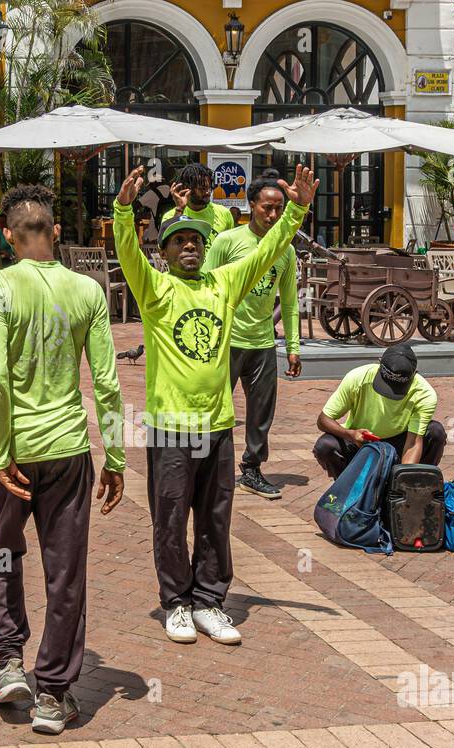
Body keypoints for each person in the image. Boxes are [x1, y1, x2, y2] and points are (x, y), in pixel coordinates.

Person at [113, 162, 317, 646]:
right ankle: (176, 603)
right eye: (179, 241)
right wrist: (124, 210)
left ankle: (209, 600)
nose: (189, 247)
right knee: (169, 518)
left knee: (215, 518)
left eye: (196, 241)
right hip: (169, 428)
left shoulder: (223, 283)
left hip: (217, 427)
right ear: (162, 252)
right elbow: (126, 251)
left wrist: (298, 211)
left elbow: (267, 252)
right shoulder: (155, 288)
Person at [0, 184, 126, 735]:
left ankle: (10, 661)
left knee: (4, 555)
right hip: (68, 451)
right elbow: (107, 385)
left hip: (12, 452)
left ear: (7, 236)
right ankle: (53, 694)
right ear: (56, 233)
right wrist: (116, 459)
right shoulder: (88, 291)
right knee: (65, 572)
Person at [203, 175, 302, 500]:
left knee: (261, 413)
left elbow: (289, 302)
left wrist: (293, 348)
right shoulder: (227, 242)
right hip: (226, 342)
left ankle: (252, 469)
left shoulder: (285, 252)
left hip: (262, 344)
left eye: (279, 209)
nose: (273, 215)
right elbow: (205, 289)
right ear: (251, 206)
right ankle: (209, 469)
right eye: (267, 208)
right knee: (216, 409)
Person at [313, 343, 446, 478]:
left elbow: (412, 443)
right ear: (379, 363)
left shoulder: (425, 393)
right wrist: (350, 434)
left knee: (435, 431)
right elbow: (323, 420)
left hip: (399, 442)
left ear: (415, 373)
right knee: (325, 446)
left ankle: (417, 482)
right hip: (361, 440)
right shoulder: (358, 378)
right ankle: (348, 487)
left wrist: (401, 480)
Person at [160, 162, 238, 246]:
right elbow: (165, 247)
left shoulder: (224, 213)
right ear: (187, 188)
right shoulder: (170, 216)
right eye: (203, 188)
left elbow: (231, 247)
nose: (208, 192)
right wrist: (180, 209)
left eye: (209, 187)